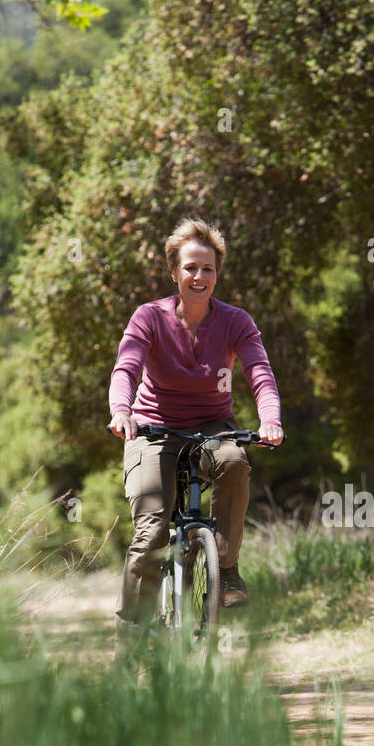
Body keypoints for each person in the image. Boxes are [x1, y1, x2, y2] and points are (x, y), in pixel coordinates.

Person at [108, 216, 283, 645]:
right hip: (151, 429)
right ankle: (132, 633)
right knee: (150, 533)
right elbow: (126, 367)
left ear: (217, 275)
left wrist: (270, 419)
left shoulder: (235, 321)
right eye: (190, 268)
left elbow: (260, 373)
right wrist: (121, 410)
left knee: (235, 462)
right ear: (175, 273)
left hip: (213, 427)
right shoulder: (149, 317)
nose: (199, 276)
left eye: (208, 269)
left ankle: (225, 568)